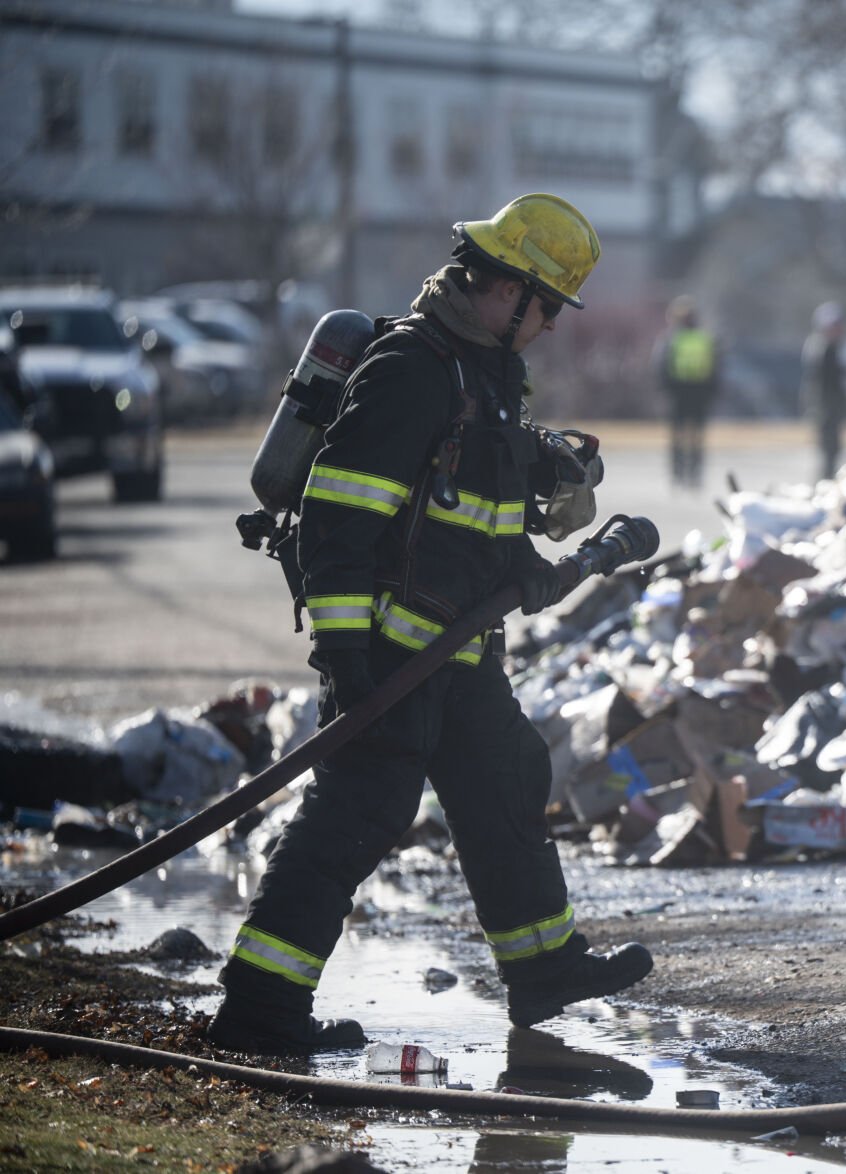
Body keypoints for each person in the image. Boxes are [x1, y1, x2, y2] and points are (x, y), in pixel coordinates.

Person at [206, 193, 652, 1056]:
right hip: (389, 653)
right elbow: (341, 514)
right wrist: (344, 649)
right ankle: (258, 1010)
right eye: (548, 304)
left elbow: (474, 520)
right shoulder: (412, 366)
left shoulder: (485, 373)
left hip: (459, 647)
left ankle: (543, 970)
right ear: (505, 290)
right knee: (358, 817)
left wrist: (529, 556)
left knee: (506, 781)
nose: (553, 326)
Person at [654, 296, 719, 487]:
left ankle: (680, 473)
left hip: (680, 392)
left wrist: (665, 389)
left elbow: (660, 366)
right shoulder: (705, 338)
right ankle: (692, 473)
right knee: (695, 436)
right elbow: (715, 367)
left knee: (679, 436)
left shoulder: (671, 338)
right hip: (697, 392)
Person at [803, 301, 846, 479]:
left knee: (832, 451)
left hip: (830, 408)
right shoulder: (824, 350)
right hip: (826, 409)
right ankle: (824, 485)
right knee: (828, 452)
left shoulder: (831, 349)